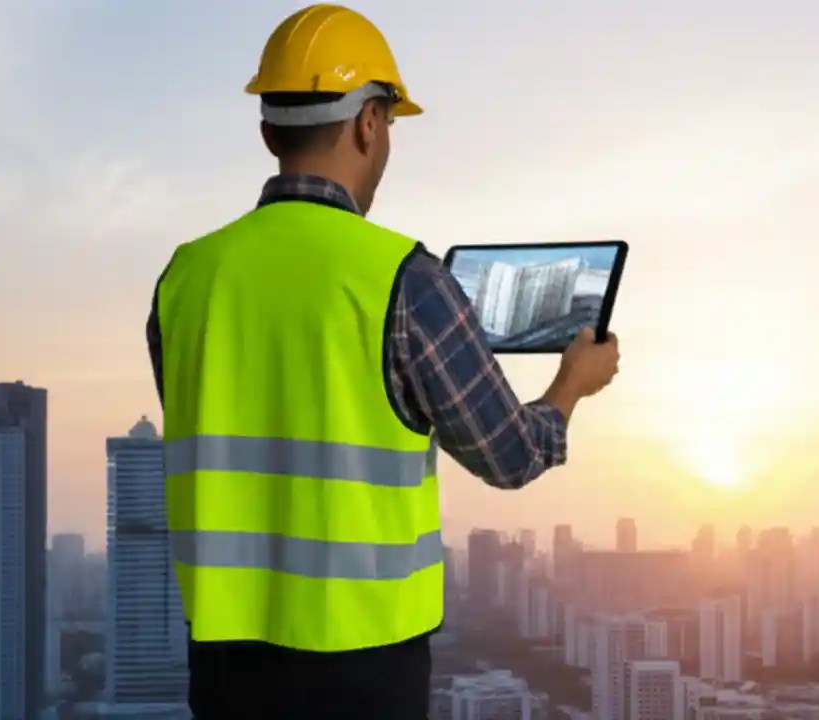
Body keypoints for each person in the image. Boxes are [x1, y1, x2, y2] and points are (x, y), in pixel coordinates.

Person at [143, 5, 620, 718]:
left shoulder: (184, 277)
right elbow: (512, 456)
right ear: (370, 122)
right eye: (390, 123)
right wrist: (570, 387)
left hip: (224, 666)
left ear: (268, 127)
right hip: (363, 671)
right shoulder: (404, 278)